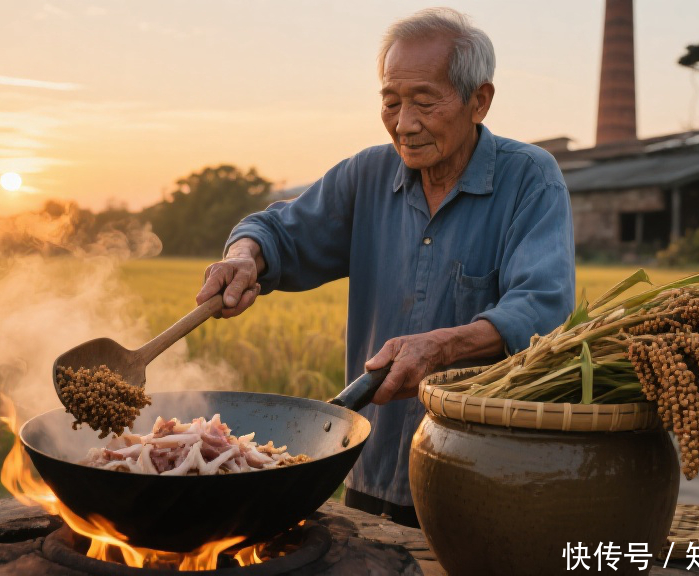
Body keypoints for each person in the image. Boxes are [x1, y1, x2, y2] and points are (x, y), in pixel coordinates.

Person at [195, 7, 575, 528]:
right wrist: (243, 257)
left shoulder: (531, 179)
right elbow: (278, 231)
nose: (404, 123)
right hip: (370, 470)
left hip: (478, 480)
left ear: (479, 101)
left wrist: (442, 344)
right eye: (391, 102)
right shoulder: (367, 175)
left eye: (424, 102)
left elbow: (542, 308)